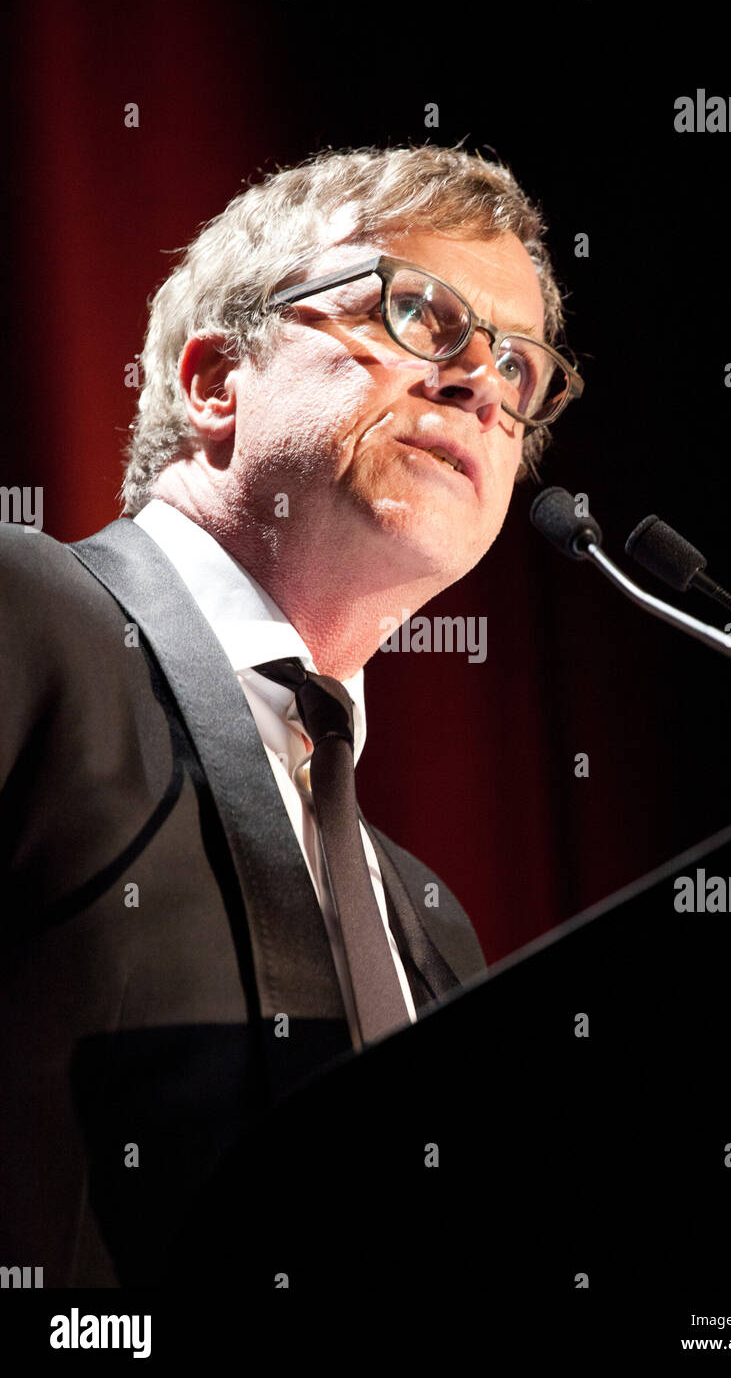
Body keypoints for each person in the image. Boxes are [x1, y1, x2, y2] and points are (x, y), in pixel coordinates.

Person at [0, 144, 583, 1286]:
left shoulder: (428, 921)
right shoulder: (27, 618)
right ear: (216, 379)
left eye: (518, 367)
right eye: (421, 315)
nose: (478, 382)